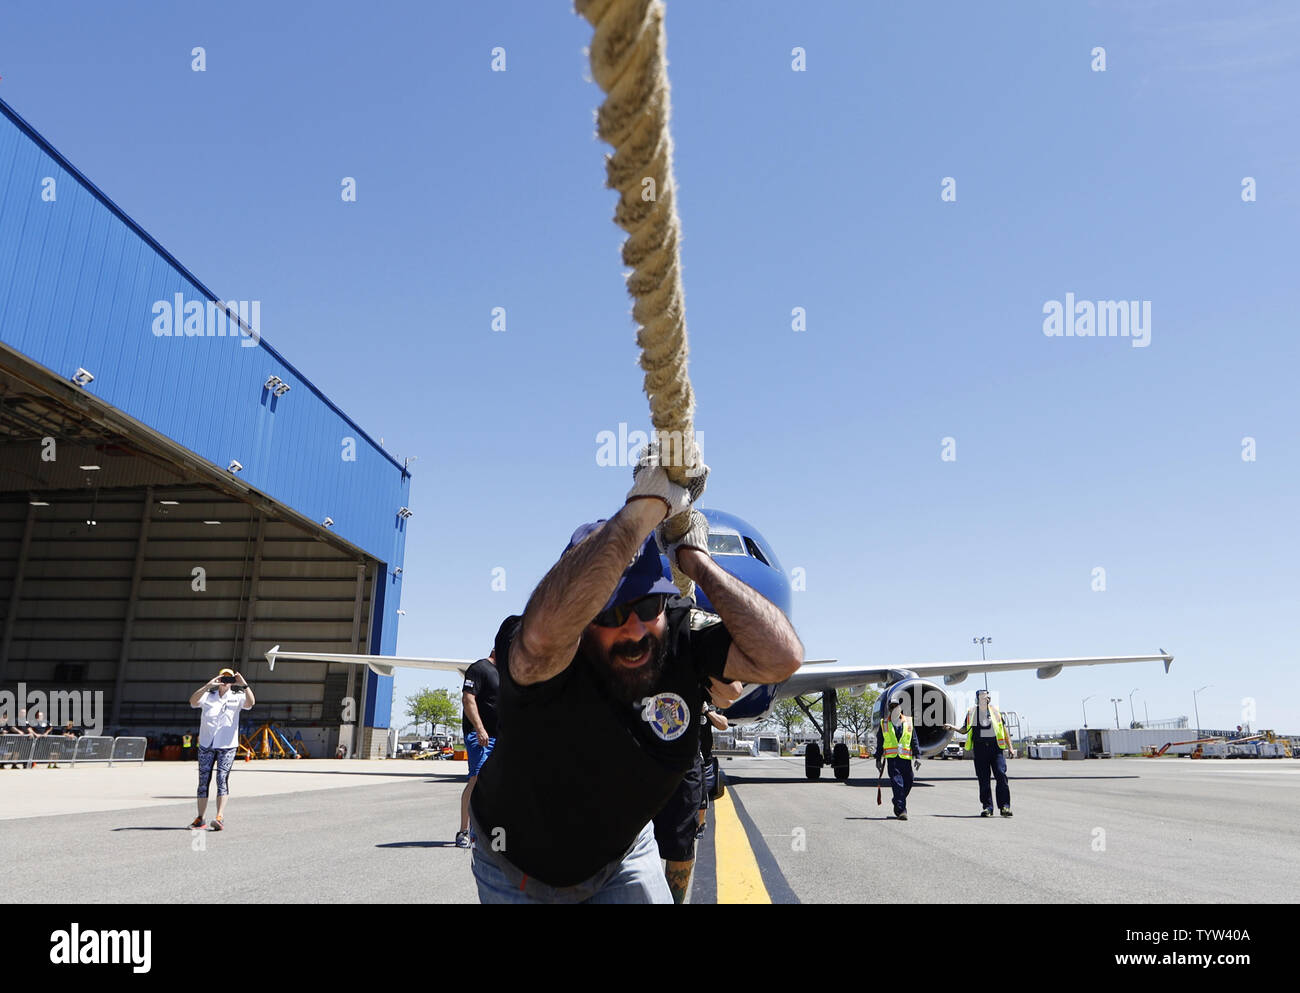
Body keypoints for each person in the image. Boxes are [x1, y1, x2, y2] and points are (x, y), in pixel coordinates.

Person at [469, 450, 803, 903]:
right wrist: (644, 508)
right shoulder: (534, 647)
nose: (634, 630)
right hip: (514, 868)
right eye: (611, 613)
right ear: (582, 620)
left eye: (648, 607)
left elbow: (781, 657)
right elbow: (542, 640)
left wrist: (696, 561)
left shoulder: (677, 640)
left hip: (620, 857)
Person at [456, 618, 515, 849]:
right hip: (480, 736)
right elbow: (468, 699)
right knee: (477, 779)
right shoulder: (479, 668)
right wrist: (480, 729)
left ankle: (485, 833)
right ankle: (463, 831)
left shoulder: (504, 674)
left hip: (499, 738)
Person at [188, 668, 255, 830]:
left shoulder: (237, 697)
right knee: (203, 781)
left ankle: (219, 816)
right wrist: (207, 686)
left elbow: (251, 703)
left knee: (222, 779)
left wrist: (243, 684)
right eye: (223, 678)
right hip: (207, 744)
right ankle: (200, 817)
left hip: (227, 745)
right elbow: (192, 702)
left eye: (229, 679)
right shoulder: (208, 696)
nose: (225, 682)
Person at [946, 688, 1012, 817]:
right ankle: (988, 807)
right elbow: (964, 730)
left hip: (996, 749)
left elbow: (1004, 730)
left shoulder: (995, 712)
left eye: (986, 697)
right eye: (981, 697)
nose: (984, 699)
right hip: (980, 749)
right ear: (977, 699)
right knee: (984, 780)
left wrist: (1010, 747)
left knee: (1001, 775)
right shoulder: (971, 713)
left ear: (989, 699)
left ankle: (1005, 806)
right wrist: (952, 727)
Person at [875, 697, 919, 820]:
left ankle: (897, 800)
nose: (894, 708)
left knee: (909, 781)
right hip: (892, 759)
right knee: (897, 784)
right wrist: (878, 758)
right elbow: (880, 742)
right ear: (889, 708)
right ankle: (901, 810)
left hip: (906, 758)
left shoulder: (909, 722)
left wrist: (917, 756)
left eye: (896, 706)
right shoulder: (884, 723)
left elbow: (913, 739)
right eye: (891, 706)